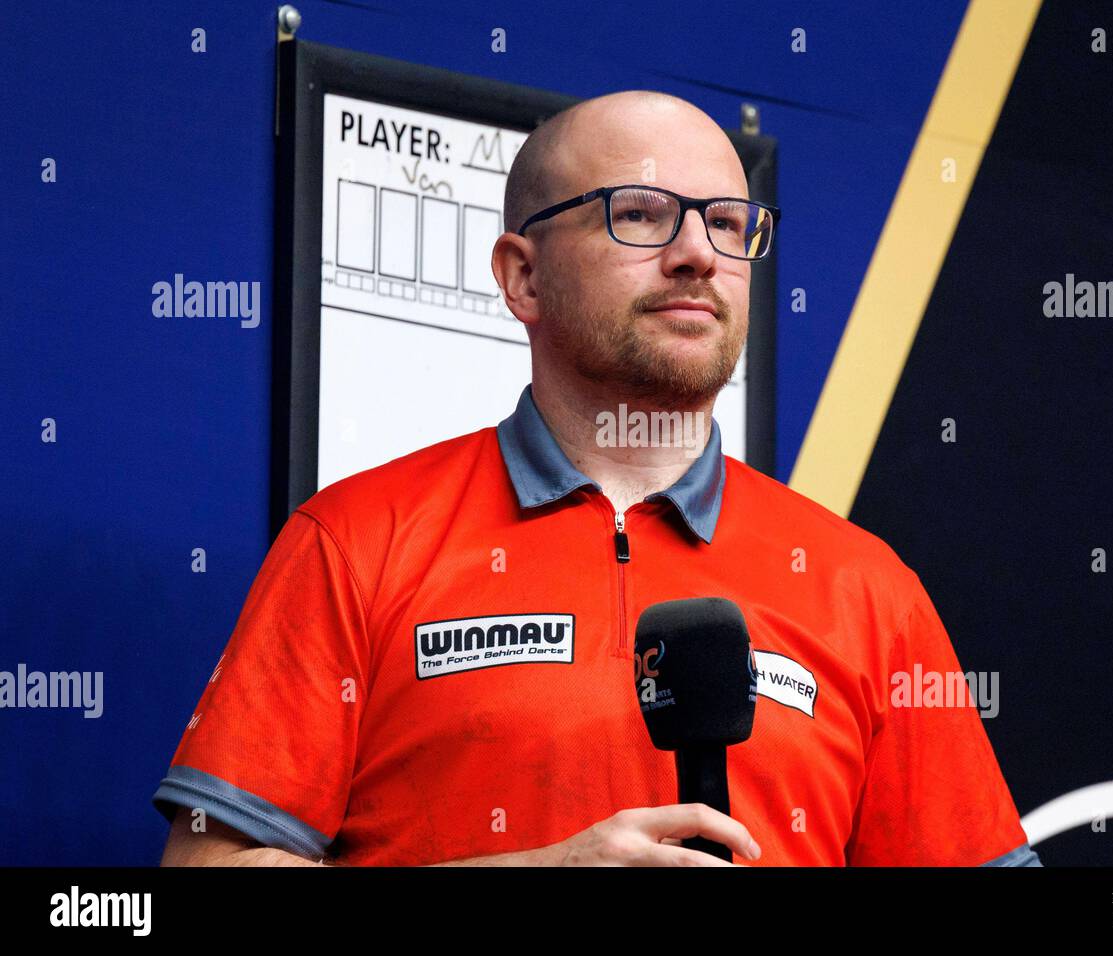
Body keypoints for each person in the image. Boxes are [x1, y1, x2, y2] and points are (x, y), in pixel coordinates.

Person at [153, 89, 1041, 867]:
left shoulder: (866, 587)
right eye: (642, 213)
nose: (698, 254)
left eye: (727, 223)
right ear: (522, 276)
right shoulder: (354, 542)